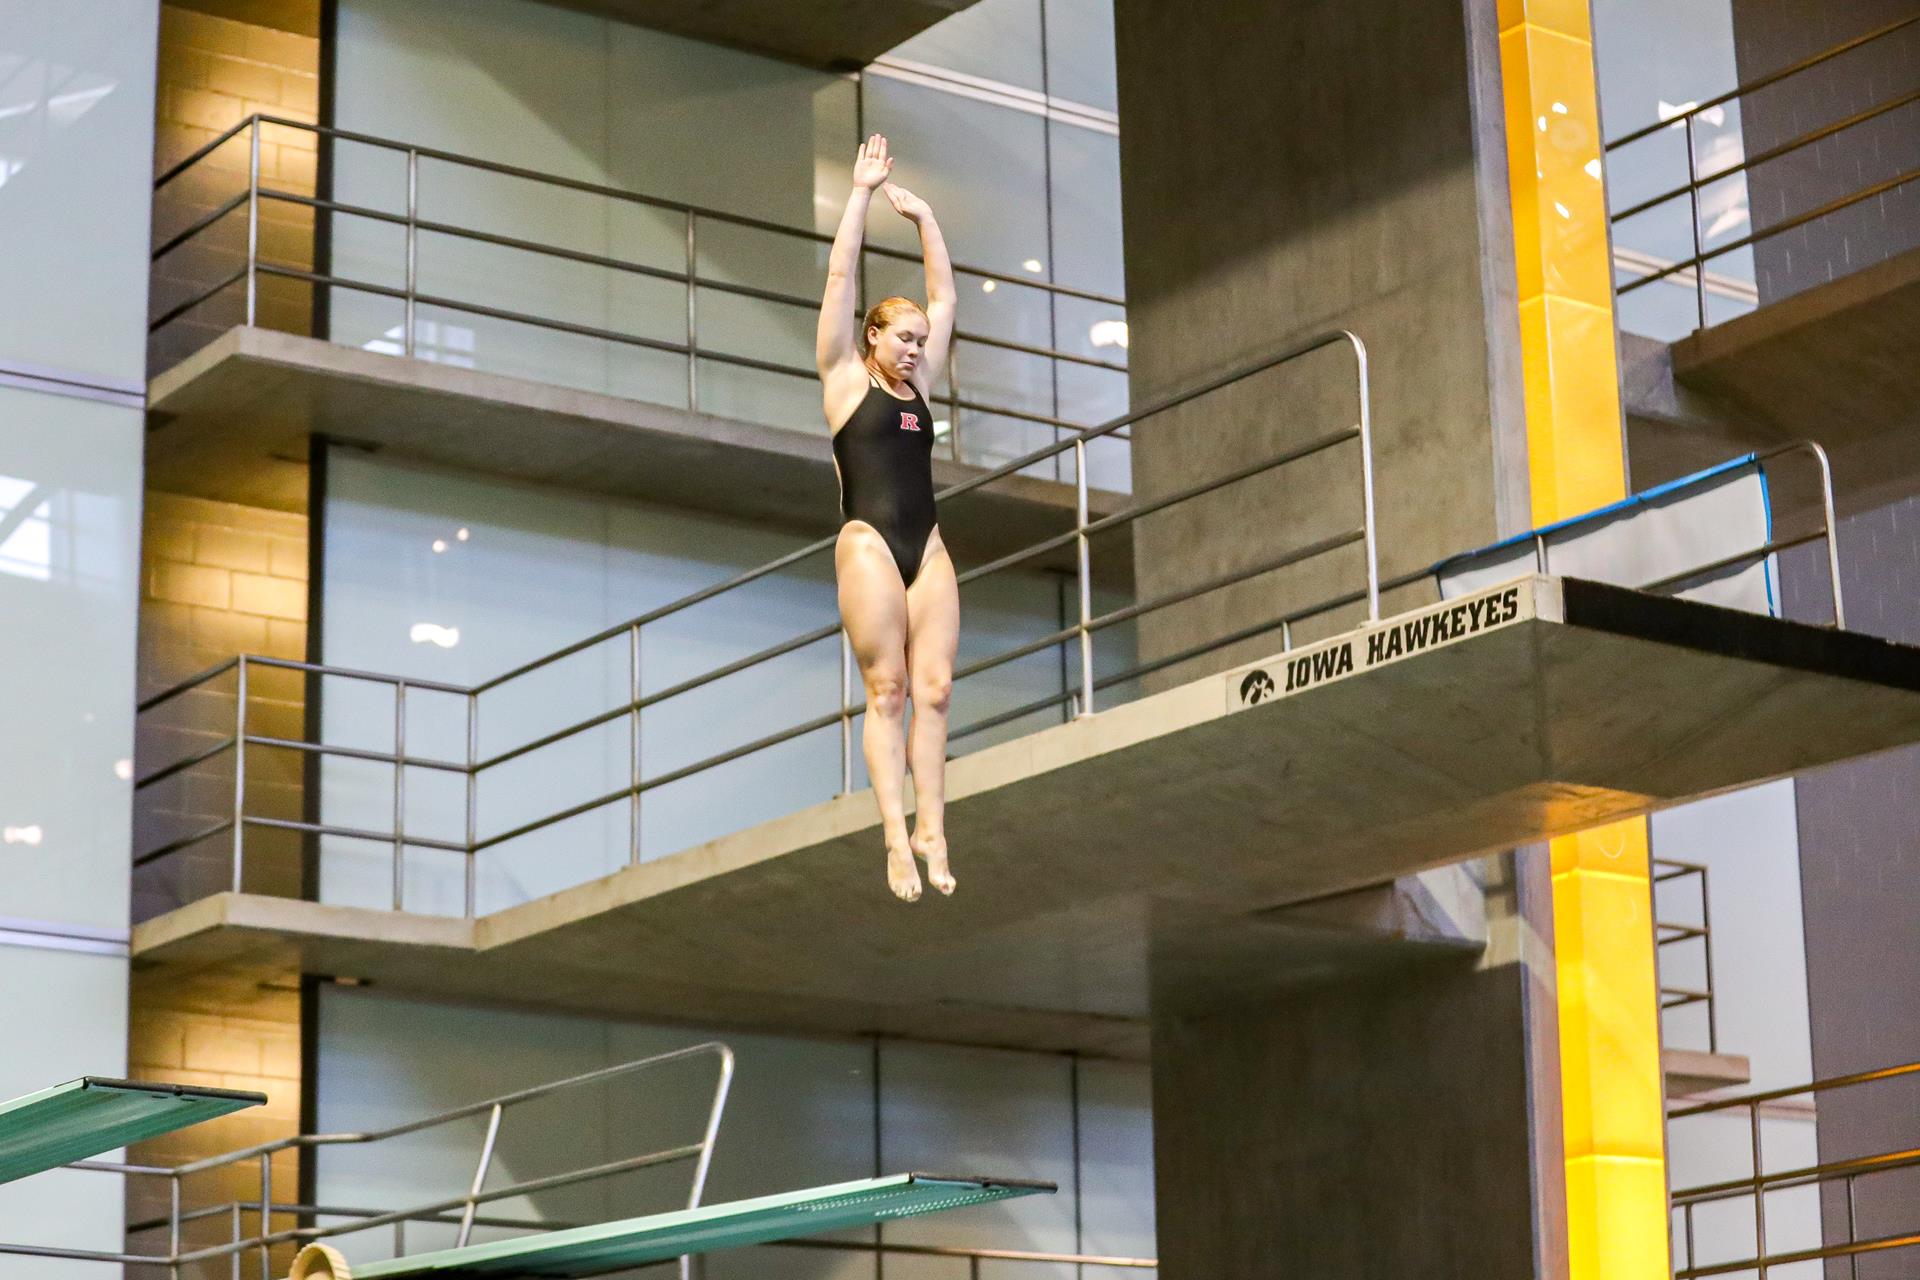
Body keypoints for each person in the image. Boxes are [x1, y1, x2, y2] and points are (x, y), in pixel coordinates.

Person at [816, 134, 959, 902]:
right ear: (874, 336)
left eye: (921, 344)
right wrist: (864, 193)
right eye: (903, 338)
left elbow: (946, 298)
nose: (914, 349)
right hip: (869, 541)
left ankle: (934, 827)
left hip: (926, 546)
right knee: (889, 692)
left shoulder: (922, 390)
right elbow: (840, 275)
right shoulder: (842, 379)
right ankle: (895, 838)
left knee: (934, 690)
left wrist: (928, 218)